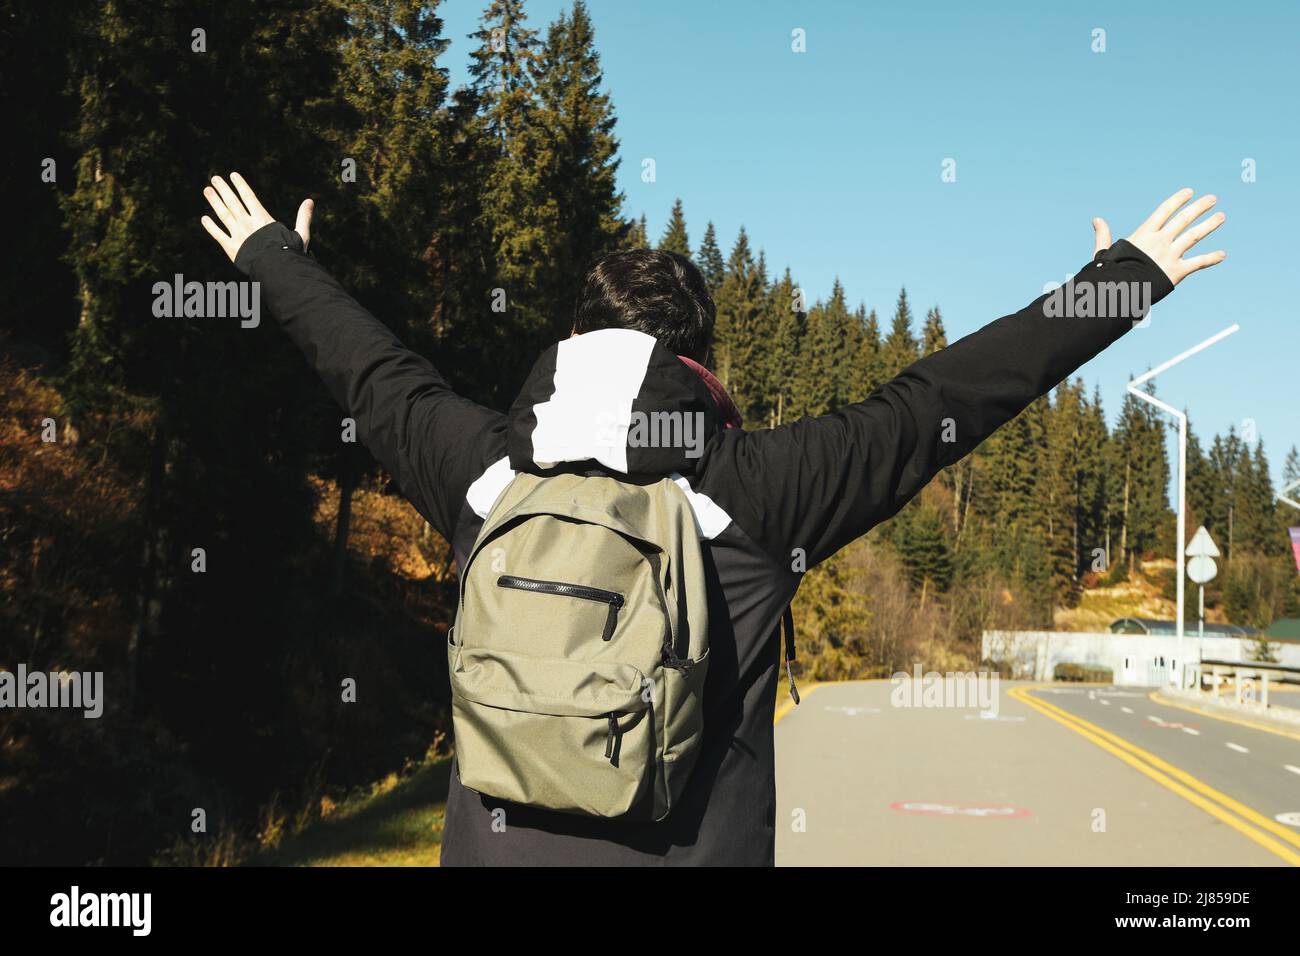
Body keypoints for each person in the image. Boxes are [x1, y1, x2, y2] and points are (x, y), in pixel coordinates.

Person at [201, 174, 1225, 865]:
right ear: (698, 363)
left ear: (572, 341)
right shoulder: (764, 488)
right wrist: (1118, 286)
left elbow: (370, 370)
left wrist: (274, 257)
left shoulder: (484, 468)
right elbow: (938, 403)